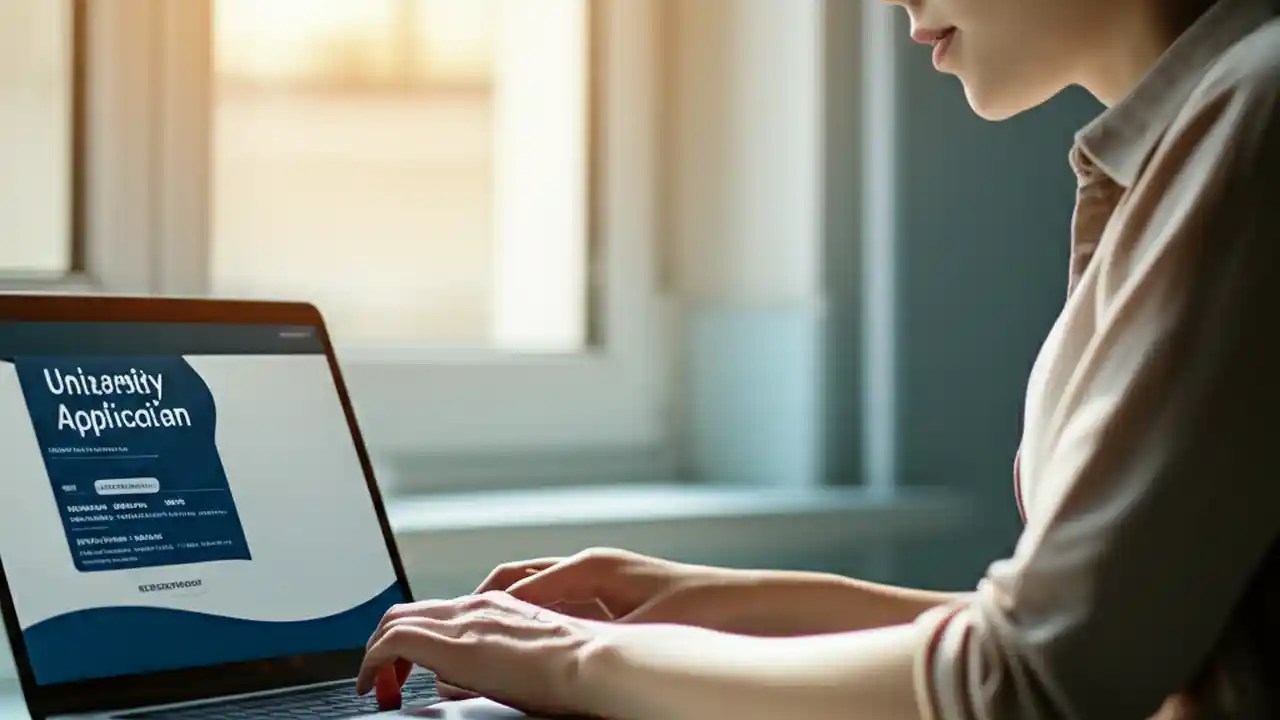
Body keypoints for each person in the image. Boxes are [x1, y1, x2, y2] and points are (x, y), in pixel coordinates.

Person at [356, 0, 1280, 716]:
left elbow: (1032, 685)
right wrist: (700, 604)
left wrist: (581, 661)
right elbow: (1082, 644)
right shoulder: (1199, 129)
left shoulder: (1257, 108)